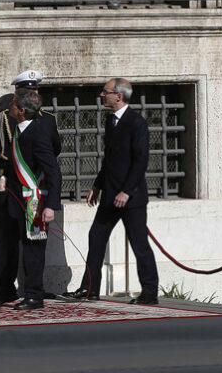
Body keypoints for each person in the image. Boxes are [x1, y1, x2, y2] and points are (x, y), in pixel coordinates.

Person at [62, 78, 159, 305]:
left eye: (105, 92)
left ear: (119, 95)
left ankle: (149, 293)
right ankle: (89, 289)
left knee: (139, 244)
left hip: (130, 198)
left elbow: (140, 161)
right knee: (96, 237)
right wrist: (97, 185)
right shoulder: (110, 121)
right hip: (110, 195)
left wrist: (126, 191)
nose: (101, 95)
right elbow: (110, 160)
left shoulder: (136, 123)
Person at [0, 70, 61, 307]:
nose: (31, 95)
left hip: (35, 194)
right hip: (12, 193)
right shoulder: (4, 119)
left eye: (33, 92)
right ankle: (4, 290)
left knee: (34, 245)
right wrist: (1, 176)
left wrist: (48, 198)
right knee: (5, 244)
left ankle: (34, 293)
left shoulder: (46, 121)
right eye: (25, 92)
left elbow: (52, 157)